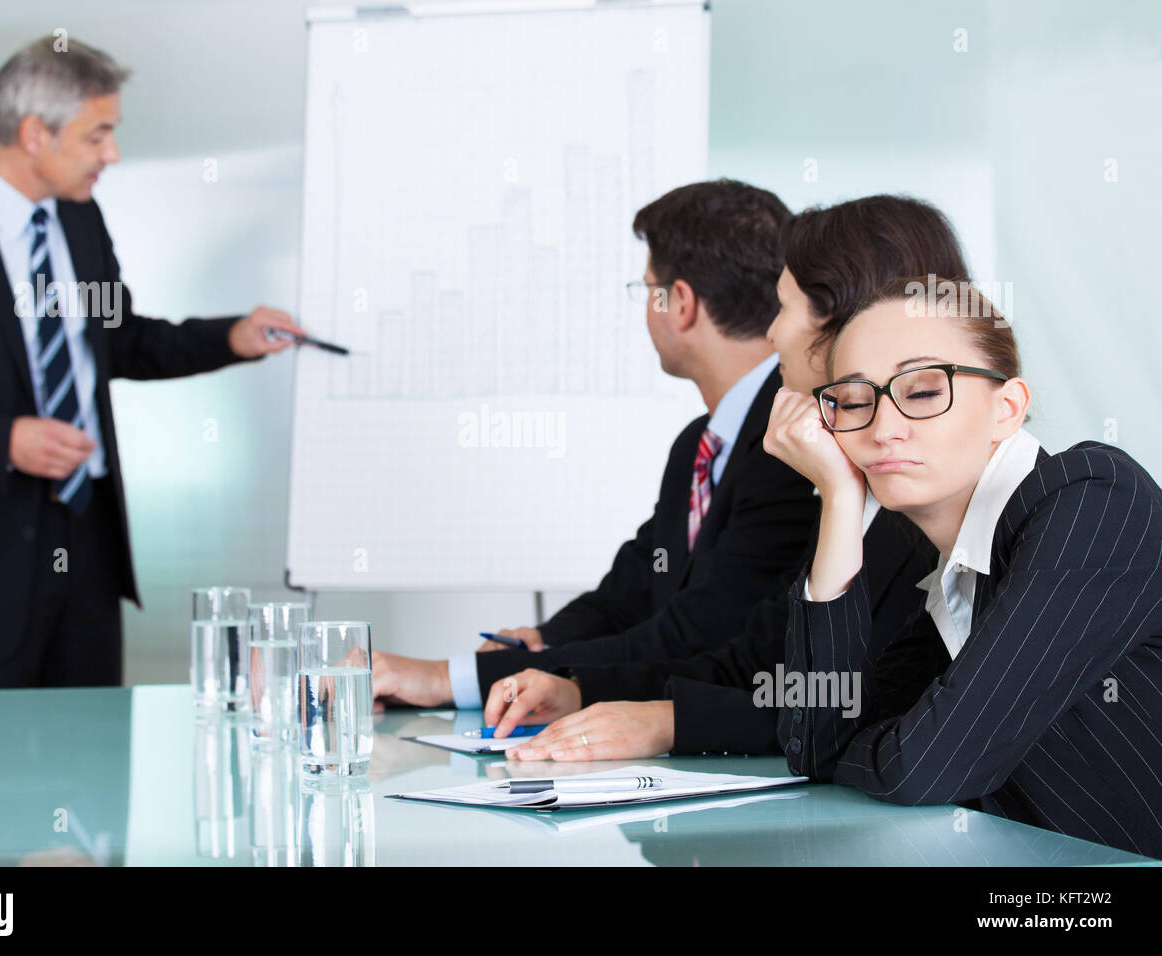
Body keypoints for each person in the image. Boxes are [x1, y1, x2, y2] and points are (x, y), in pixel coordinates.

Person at [0, 36, 307, 688]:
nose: (113, 154)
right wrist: (4, 441)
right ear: (36, 133)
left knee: (94, 772)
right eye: (98, 135)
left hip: (88, 549)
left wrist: (230, 336)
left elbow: (119, 342)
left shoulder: (80, 220)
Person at [487, 195, 965, 760]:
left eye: (783, 307)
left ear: (843, 322)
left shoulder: (923, 506)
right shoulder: (857, 491)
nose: (772, 333)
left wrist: (667, 722)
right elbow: (761, 661)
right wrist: (584, 689)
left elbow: (872, 716)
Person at [371, 180, 820, 708]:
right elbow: (632, 588)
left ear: (679, 304)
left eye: (646, 288)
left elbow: (698, 632)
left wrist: (449, 679)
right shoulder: (698, 446)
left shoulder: (791, 442)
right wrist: (547, 641)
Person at [766, 275, 1162, 858]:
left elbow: (924, 770)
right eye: (853, 401)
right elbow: (816, 742)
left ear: (1007, 408)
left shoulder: (1097, 501)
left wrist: (880, 747)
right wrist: (842, 499)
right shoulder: (956, 573)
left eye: (924, 392)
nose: (882, 427)